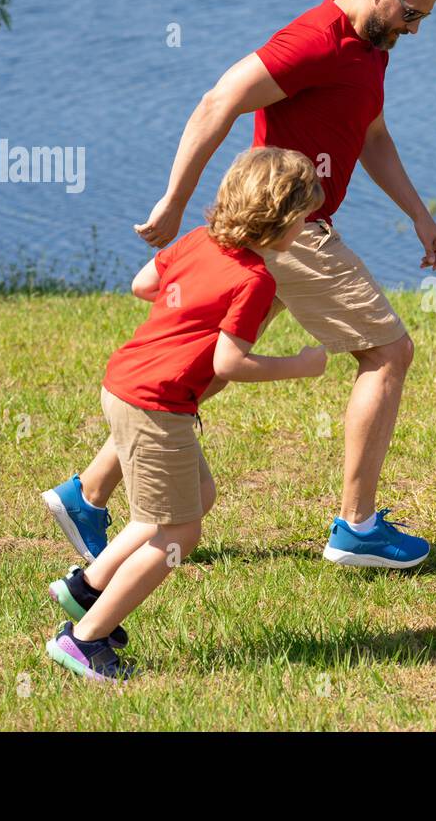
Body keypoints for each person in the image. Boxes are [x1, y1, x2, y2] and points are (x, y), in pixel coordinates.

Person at [43, 0, 436, 569]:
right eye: (411, 13)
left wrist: (420, 216)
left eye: (423, 16)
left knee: (202, 371)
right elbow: (221, 99)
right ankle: (357, 527)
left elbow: (370, 132)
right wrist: (175, 201)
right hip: (293, 228)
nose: (416, 28)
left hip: (283, 235)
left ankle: (87, 495)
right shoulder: (316, 39)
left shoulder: (373, 46)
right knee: (388, 352)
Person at [45, 147, 326, 680]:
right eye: (303, 218)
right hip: (156, 405)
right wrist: (301, 364)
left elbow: (143, 285)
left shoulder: (199, 241)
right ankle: (85, 640)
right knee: (176, 535)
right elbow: (230, 361)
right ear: (281, 221)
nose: (305, 227)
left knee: (194, 499)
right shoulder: (255, 278)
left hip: (128, 387)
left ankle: (87, 588)